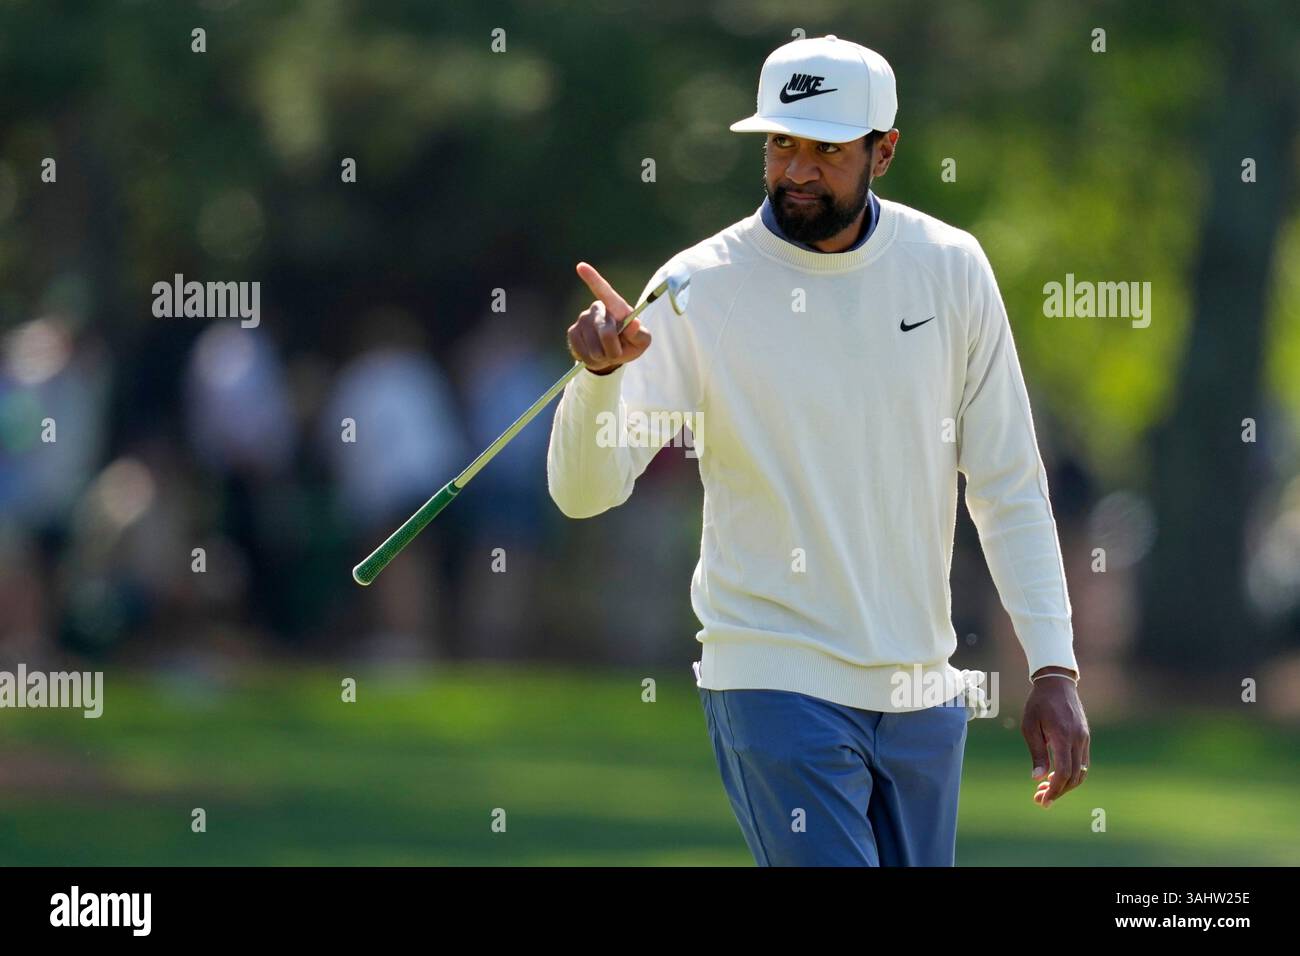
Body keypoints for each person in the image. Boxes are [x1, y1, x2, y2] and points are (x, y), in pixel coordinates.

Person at [546, 34, 1090, 866]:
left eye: (827, 150)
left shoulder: (951, 269)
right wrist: (597, 381)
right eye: (781, 144)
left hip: (920, 689)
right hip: (772, 679)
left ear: (886, 151)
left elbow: (1008, 481)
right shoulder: (698, 285)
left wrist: (1054, 665)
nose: (797, 170)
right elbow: (583, 492)